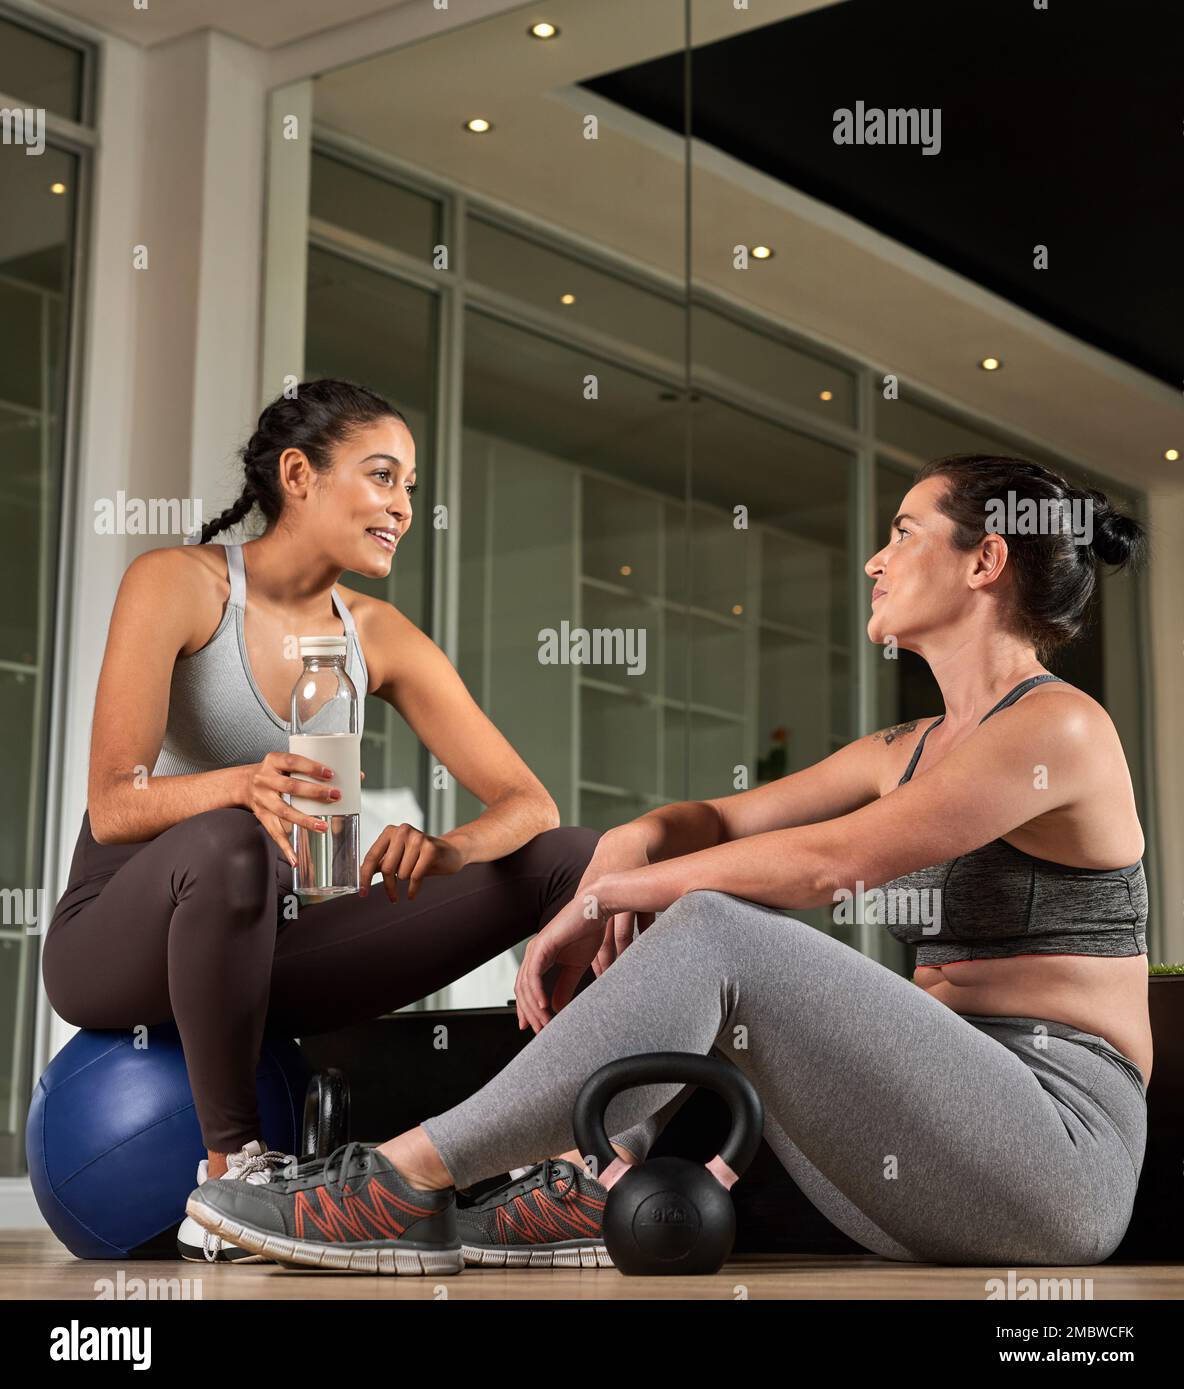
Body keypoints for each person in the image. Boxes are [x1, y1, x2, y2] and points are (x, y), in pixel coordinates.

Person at [186, 453, 1153, 1273]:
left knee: (722, 926)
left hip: (1055, 1156)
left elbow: (828, 863)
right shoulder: (901, 747)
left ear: (986, 559)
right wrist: (636, 845)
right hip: (922, 1163)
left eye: (903, 532)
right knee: (702, 911)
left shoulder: (1059, 726)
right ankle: (580, 1184)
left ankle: (397, 1183)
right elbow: (715, 821)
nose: (874, 559)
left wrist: (606, 895)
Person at [41, 379, 643, 1264]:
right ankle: (235, 1174)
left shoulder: (379, 635)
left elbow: (530, 804)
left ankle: (566, 1172)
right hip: (117, 940)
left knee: (574, 857)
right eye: (382, 477)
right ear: (299, 474)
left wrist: (446, 850)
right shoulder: (180, 583)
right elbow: (114, 802)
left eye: (409, 485)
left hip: (277, 944)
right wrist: (242, 783)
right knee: (237, 843)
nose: (403, 506)